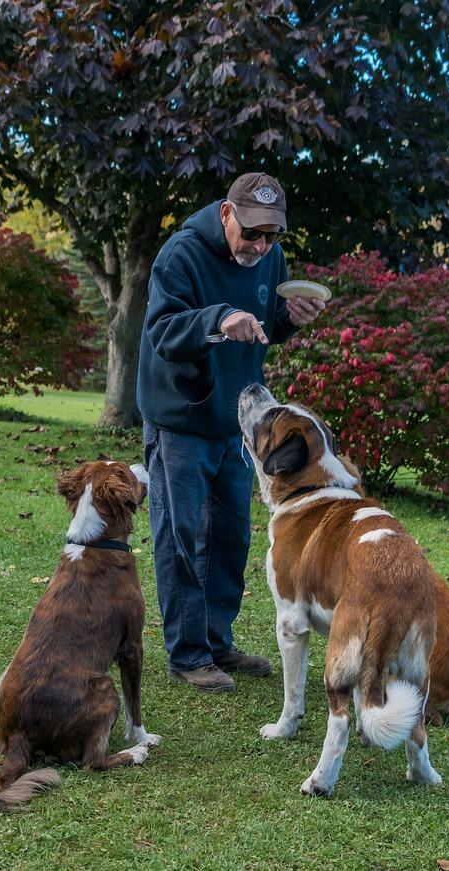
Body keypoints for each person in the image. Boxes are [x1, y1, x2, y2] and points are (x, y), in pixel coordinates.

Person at [136, 172, 325, 693]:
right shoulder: (181, 256)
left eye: (272, 236)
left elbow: (267, 325)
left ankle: (218, 643)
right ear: (226, 214)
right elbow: (162, 333)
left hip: (239, 424)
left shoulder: (269, 258)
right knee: (183, 537)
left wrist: (289, 318)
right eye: (252, 233)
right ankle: (189, 654)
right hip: (181, 417)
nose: (262, 246)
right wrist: (219, 319)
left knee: (230, 537)